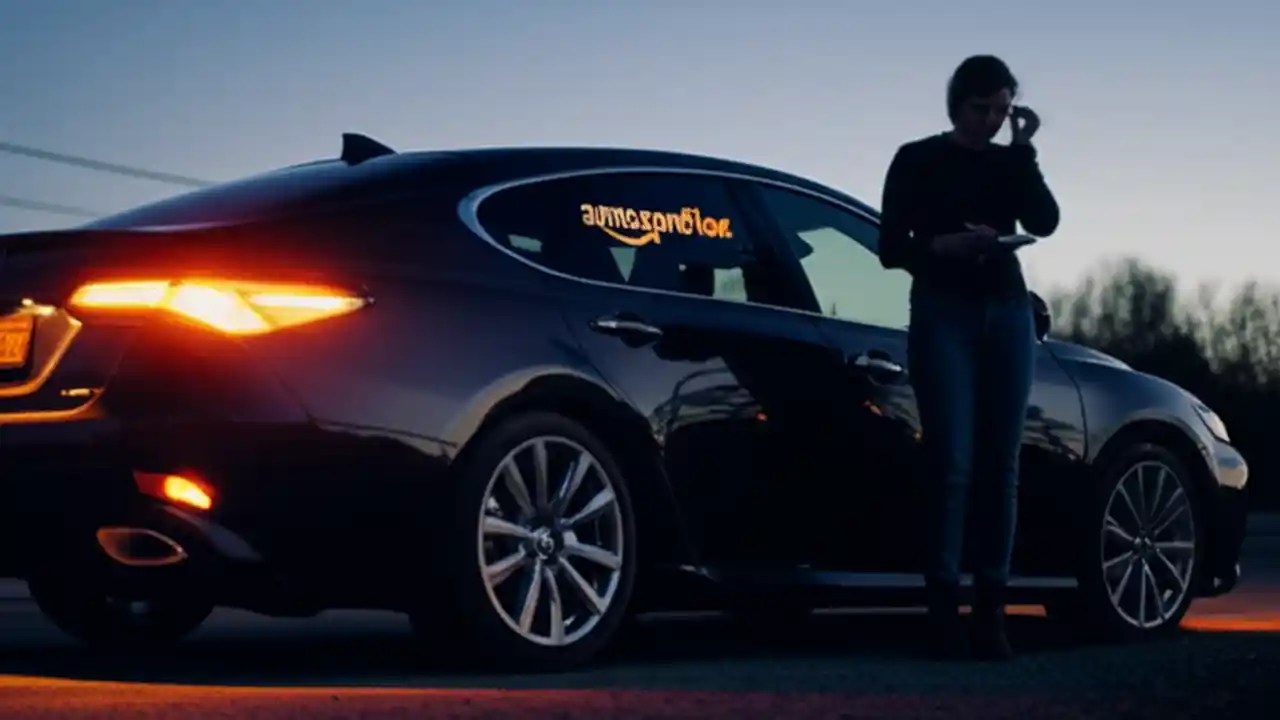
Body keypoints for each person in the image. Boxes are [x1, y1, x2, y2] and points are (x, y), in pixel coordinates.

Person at [878, 55, 1060, 660]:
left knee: (1000, 464)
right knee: (952, 460)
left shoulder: (1009, 158)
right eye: (983, 108)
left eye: (1002, 110)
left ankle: (992, 610)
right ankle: (941, 608)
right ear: (958, 103)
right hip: (943, 311)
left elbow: (1045, 220)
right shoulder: (917, 158)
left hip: (1007, 310)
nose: (991, 120)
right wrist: (942, 246)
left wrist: (1024, 148)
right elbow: (888, 247)